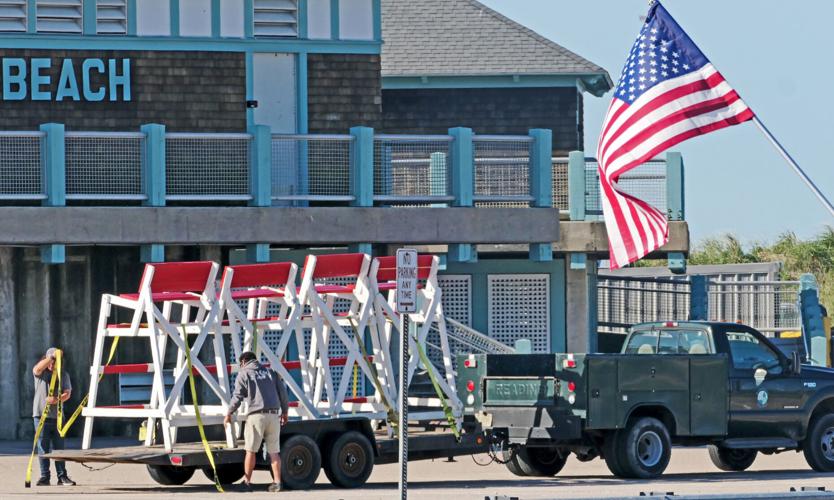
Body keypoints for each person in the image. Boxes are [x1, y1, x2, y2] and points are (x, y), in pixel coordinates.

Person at [224, 351, 289, 492]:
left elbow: (237, 396)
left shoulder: (245, 373)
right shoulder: (270, 372)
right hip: (273, 416)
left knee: (251, 451)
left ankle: (247, 482)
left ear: (243, 362)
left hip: (257, 416)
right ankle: (277, 482)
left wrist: (229, 413)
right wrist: (285, 412)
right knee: (274, 452)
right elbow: (282, 393)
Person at [32, 347, 76, 486]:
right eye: (50, 360)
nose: (52, 364)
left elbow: (67, 393)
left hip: (57, 417)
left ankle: (62, 476)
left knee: (59, 448)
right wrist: (52, 356)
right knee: (43, 448)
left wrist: (56, 399)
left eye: (56, 361)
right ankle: (45, 477)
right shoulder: (41, 373)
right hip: (40, 416)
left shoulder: (63, 374)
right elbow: (36, 369)